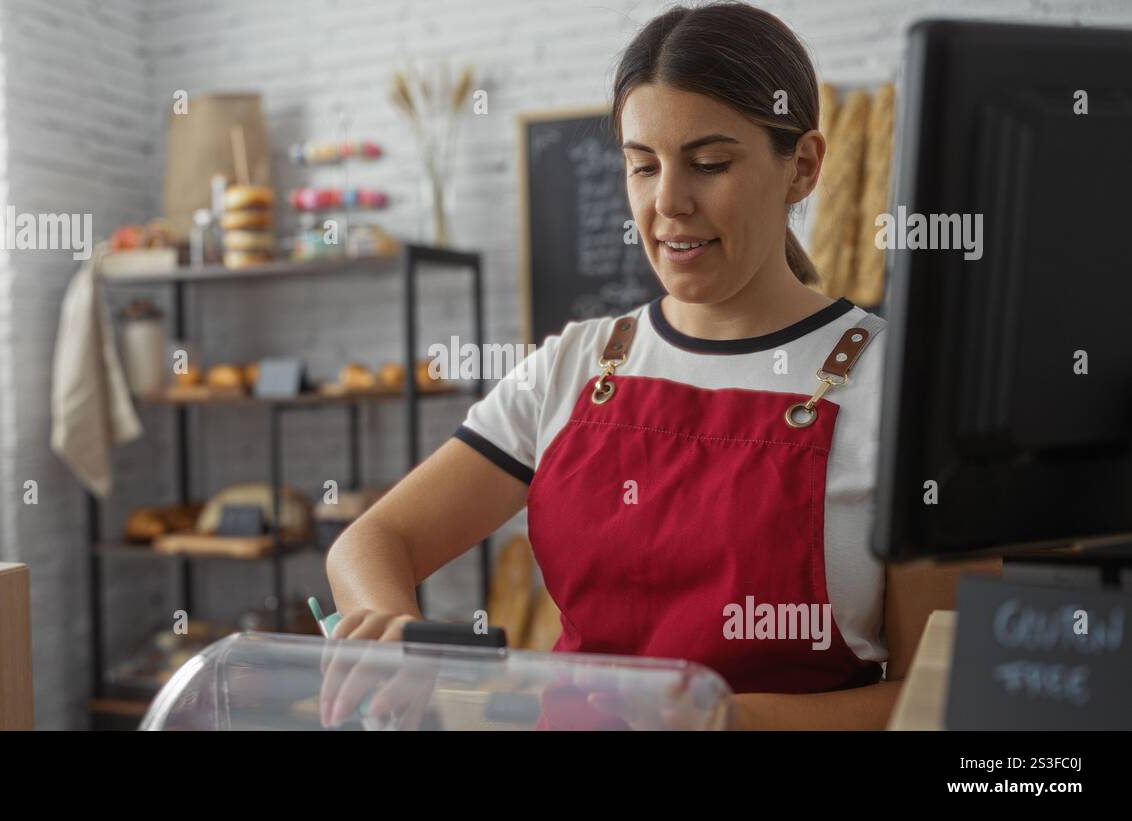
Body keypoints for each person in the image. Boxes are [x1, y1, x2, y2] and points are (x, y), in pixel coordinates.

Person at [325, 1, 974, 730]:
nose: (668, 202)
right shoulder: (574, 362)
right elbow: (375, 539)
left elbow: (948, 696)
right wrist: (388, 627)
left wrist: (727, 718)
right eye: (642, 166)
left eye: (710, 164)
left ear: (803, 165)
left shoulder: (907, 391)